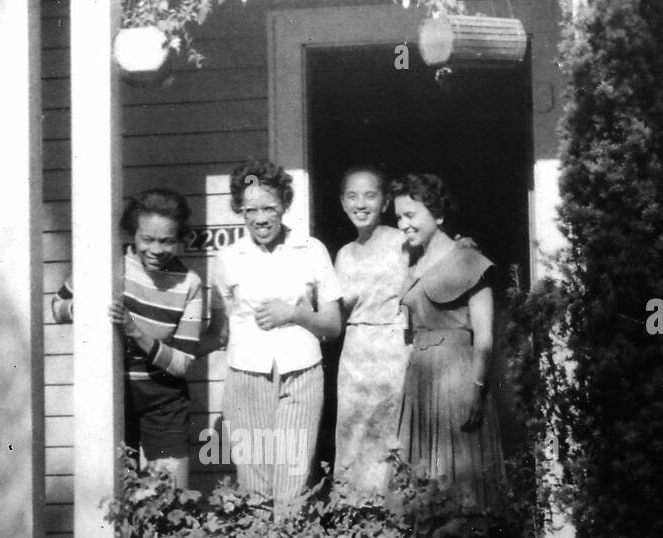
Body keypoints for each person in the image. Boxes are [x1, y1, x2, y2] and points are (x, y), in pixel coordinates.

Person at [52, 188, 221, 489]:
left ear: (180, 238)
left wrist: (135, 332)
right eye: (148, 239)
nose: (156, 249)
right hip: (113, 395)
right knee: (118, 493)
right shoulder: (106, 266)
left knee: (169, 500)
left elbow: (181, 364)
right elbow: (58, 307)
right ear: (133, 234)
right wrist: (83, 308)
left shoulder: (190, 284)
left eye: (167, 241)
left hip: (164, 400)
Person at [210, 158, 343, 512]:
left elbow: (332, 325)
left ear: (285, 204)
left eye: (269, 207)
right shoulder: (227, 258)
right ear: (239, 209)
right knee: (254, 481)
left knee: (293, 478)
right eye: (250, 209)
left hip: (301, 373)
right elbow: (222, 323)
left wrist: (295, 313)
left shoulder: (311, 250)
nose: (260, 218)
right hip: (246, 377)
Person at [390, 172, 506, 509]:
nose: (403, 224)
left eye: (410, 215)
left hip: (457, 377)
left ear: (437, 215)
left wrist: (477, 388)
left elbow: (484, 336)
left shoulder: (468, 258)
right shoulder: (412, 261)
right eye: (398, 217)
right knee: (422, 479)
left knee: (461, 473)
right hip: (421, 377)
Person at [331, 165, 411, 496]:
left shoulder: (404, 242)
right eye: (352, 196)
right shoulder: (343, 254)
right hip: (355, 355)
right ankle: (355, 517)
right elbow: (334, 314)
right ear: (342, 202)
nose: (360, 204)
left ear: (385, 202)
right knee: (353, 434)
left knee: (393, 433)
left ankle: (395, 514)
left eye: (370, 195)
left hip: (395, 348)